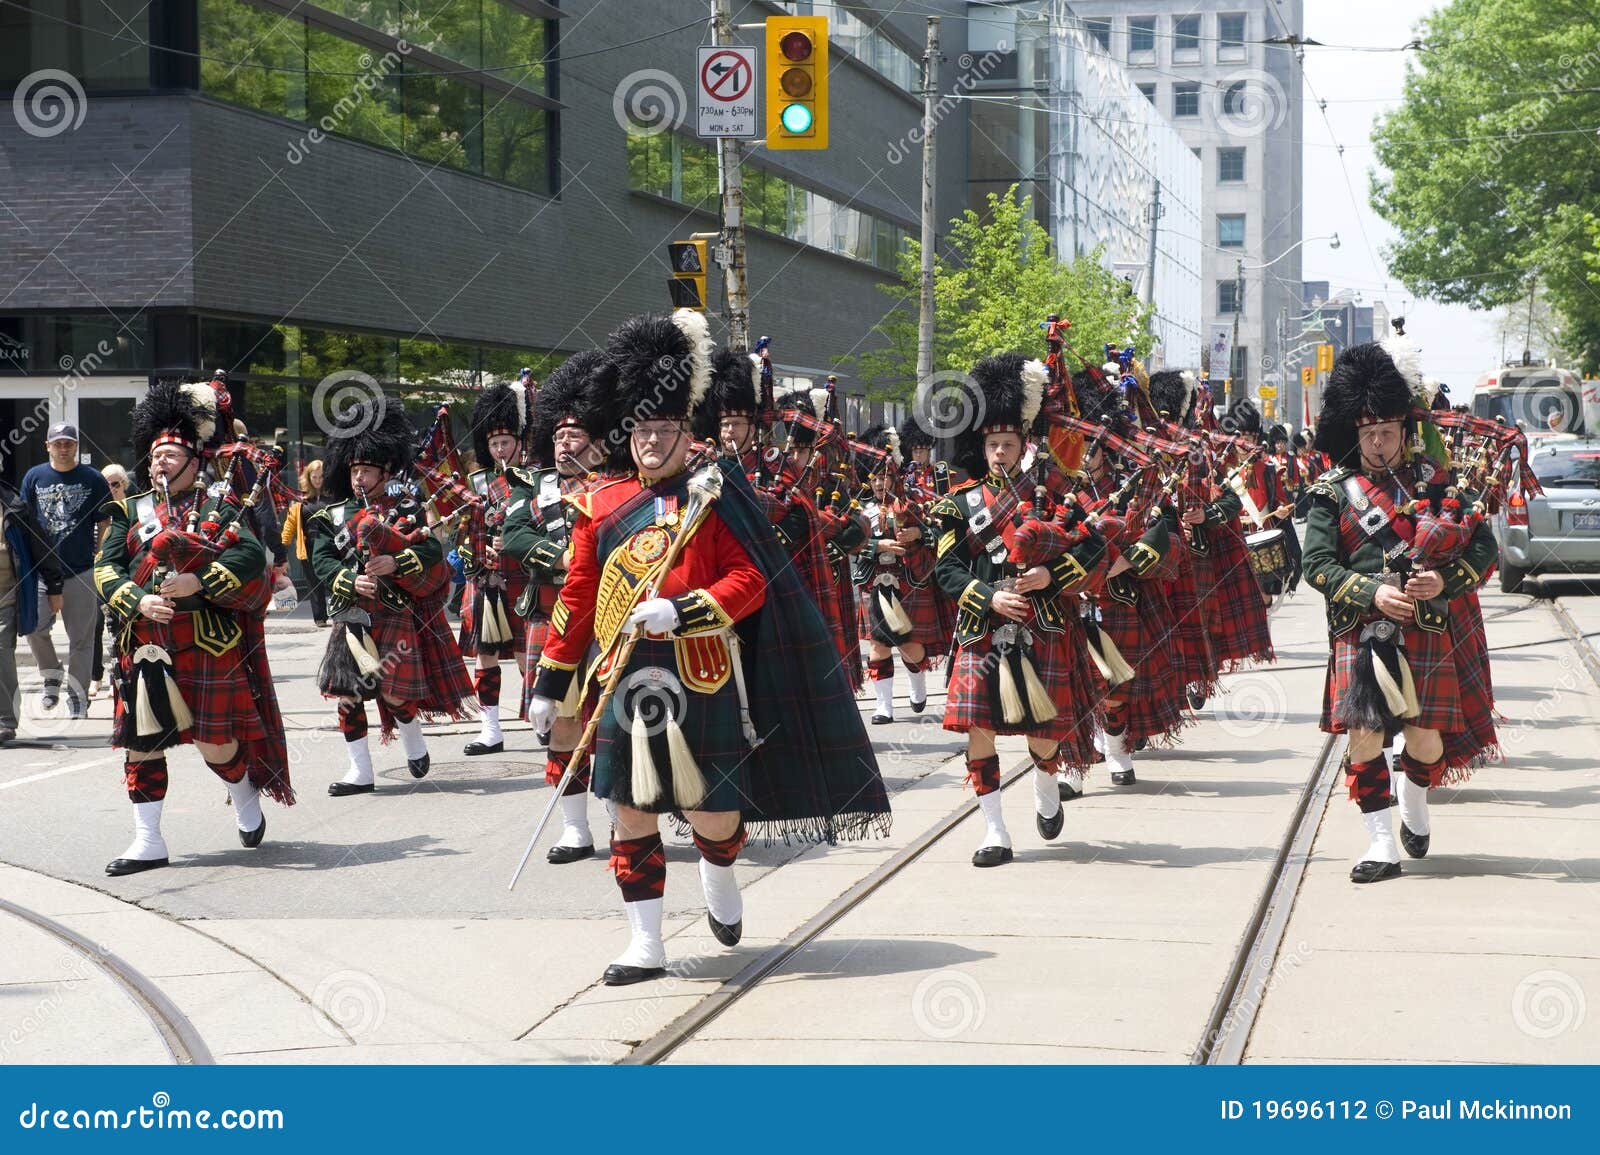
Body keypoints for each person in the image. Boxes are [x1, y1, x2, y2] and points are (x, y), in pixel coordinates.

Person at [527, 311, 889, 985]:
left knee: (712, 816)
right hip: (624, 681)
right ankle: (645, 943)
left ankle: (720, 872)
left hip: (701, 675)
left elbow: (753, 580)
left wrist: (683, 609)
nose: (651, 440)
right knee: (629, 810)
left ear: (687, 432)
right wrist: (550, 683)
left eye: (664, 429)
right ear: (625, 434)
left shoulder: (715, 497)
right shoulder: (601, 508)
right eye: (639, 429)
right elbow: (577, 599)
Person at [1302, 336, 1498, 884]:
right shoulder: (1331, 493)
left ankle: (1414, 798)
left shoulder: (1439, 485)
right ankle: (1381, 844)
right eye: (1370, 434)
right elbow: (1314, 566)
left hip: (1427, 629)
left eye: (1388, 432)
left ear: (1404, 432)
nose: (1380, 443)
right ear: (1354, 435)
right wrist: (1368, 593)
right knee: (1363, 736)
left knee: (1424, 740)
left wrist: (1444, 580)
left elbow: (1484, 551)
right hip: (1362, 633)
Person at [93, 381, 292, 875]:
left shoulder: (219, 507)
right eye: (155, 453)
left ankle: (243, 791)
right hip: (144, 643)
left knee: (214, 741)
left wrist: (196, 582)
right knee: (141, 741)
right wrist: (138, 599)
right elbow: (105, 567)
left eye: (171, 453)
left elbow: (250, 555)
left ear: (193, 461)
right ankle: (148, 840)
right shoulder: (129, 510)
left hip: (204, 641)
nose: (160, 461)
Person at [930, 354, 1109, 867]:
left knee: (1042, 736)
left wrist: (1052, 576)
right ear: (982, 449)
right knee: (977, 729)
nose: (1000, 452)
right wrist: (989, 597)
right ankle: (994, 830)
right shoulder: (959, 505)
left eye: (1008, 444)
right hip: (981, 629)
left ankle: (1046, 786)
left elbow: (1094, 549)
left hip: (1041, 626)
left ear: (1024, 445)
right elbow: (946, 571)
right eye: (992, 445)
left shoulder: (1052, 498)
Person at [313, 400, 473, 795]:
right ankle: (360, 772)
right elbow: (321, 560)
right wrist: (350, 580)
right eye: (354, 471)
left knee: (394, 691)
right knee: (347, 694)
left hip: (394, 612)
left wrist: (396, 562)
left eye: (366, 471)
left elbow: (431, 553)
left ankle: (412, 738)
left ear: (385, 473)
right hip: (352, 615)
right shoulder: (330, 515)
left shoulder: (406, 508)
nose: (358, 478)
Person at [501, 349, 614, 862]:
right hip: (552, 616)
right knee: (563, 724)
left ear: (595, 439)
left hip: (612, 620)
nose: (564, 443)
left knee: (615, 722)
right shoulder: (535, 489)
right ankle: (575, 829)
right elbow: (513, 537)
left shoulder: (617, 486)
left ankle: (622, 816)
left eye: (574, 435)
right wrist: (562, 555)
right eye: (558, 436)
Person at [459, 377, 537, 756]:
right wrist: (477, 550)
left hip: (523, 576)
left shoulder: (536, 480)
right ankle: (490, 729)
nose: (500, 448)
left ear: (520, 443)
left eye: (506, 441)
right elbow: (461, 534)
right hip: (486, 578)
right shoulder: (475, 482)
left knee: (527, 653)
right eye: (493, 443)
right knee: (485, 654)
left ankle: (542, 719)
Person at [852, 423, 950, 724]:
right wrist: (875, 545)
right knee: (879, 645)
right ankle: (884, 707)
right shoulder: (858, 507)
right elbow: (848, 544)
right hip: (874, 583)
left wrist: (918, 534)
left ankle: (918, 684)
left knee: (910, 646)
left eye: (885, 476)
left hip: (910, 582)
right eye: (875, 478)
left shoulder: (914, 502)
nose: (880, 483)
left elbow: (940, 534)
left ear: (894, 475)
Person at [21, 423, 111, 716]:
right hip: (41, 570)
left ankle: (78, 697)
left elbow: (105, 520)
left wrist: (99, 553)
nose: (63, 448)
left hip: (81, 569)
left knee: (82, 639)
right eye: (57, 443)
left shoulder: (93, 478)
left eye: (68, 443)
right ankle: (51, 675)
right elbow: (23, 521)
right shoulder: (34, 477)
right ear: (47, 446)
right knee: (33, 628)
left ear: (76, 446)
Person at [1, 477, 56, 744]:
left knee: (1, 653)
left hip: (6, 593)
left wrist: (54, 585)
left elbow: (40, 544)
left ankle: (5, 721)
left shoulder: (13, 504)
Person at [281, 460, 331, 626]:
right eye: (314, 476)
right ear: (308, 477)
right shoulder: (300, 499)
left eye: (321, 476)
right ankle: (320, 618)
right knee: (314, 583)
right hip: (308, 546)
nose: (317, 480)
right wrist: (282, 550)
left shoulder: (332, 496)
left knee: (332, 578)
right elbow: (289, 525)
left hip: (330, 546)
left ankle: (339, 613)